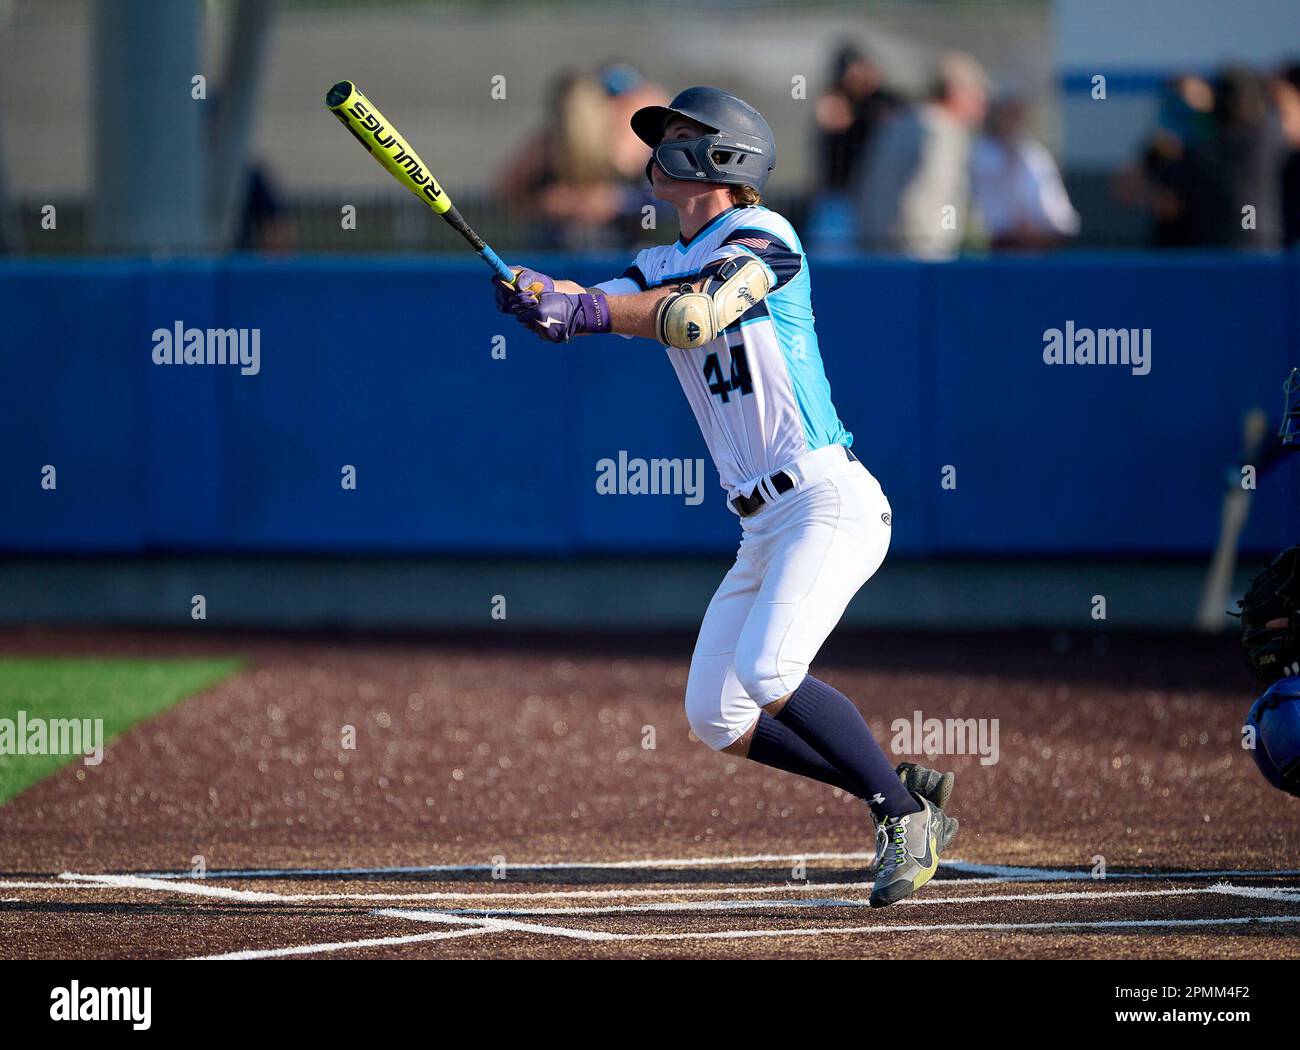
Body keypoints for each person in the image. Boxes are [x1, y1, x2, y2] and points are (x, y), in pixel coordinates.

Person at [490, 86, 959, 907]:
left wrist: (586, 310)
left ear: (723, 153)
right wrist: (539, 293)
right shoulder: (663, 256)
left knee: (770, 668)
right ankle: (894, 787)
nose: (655, 147)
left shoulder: (765, 237)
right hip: (761, 523)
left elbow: (696, 317)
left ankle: (900, 815)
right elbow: (610, 295)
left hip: (827, 501)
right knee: (716, 713)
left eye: (674, 134)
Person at [857, 51, 989, 259]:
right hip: (922, 257)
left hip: (876, 250)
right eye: (976, 97)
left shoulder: (896, 125)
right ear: (955, 93)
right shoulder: (942, 133)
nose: (982, 108)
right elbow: (938, 195)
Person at [969, 97, 1079, 250]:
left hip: (1042, 247)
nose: (1013, 121)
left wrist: (1040, 230)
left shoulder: (1036, 155)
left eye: (1016, 114)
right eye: (1007, 114)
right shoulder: (980, 155)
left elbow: (1063, 218)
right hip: (995, 248)